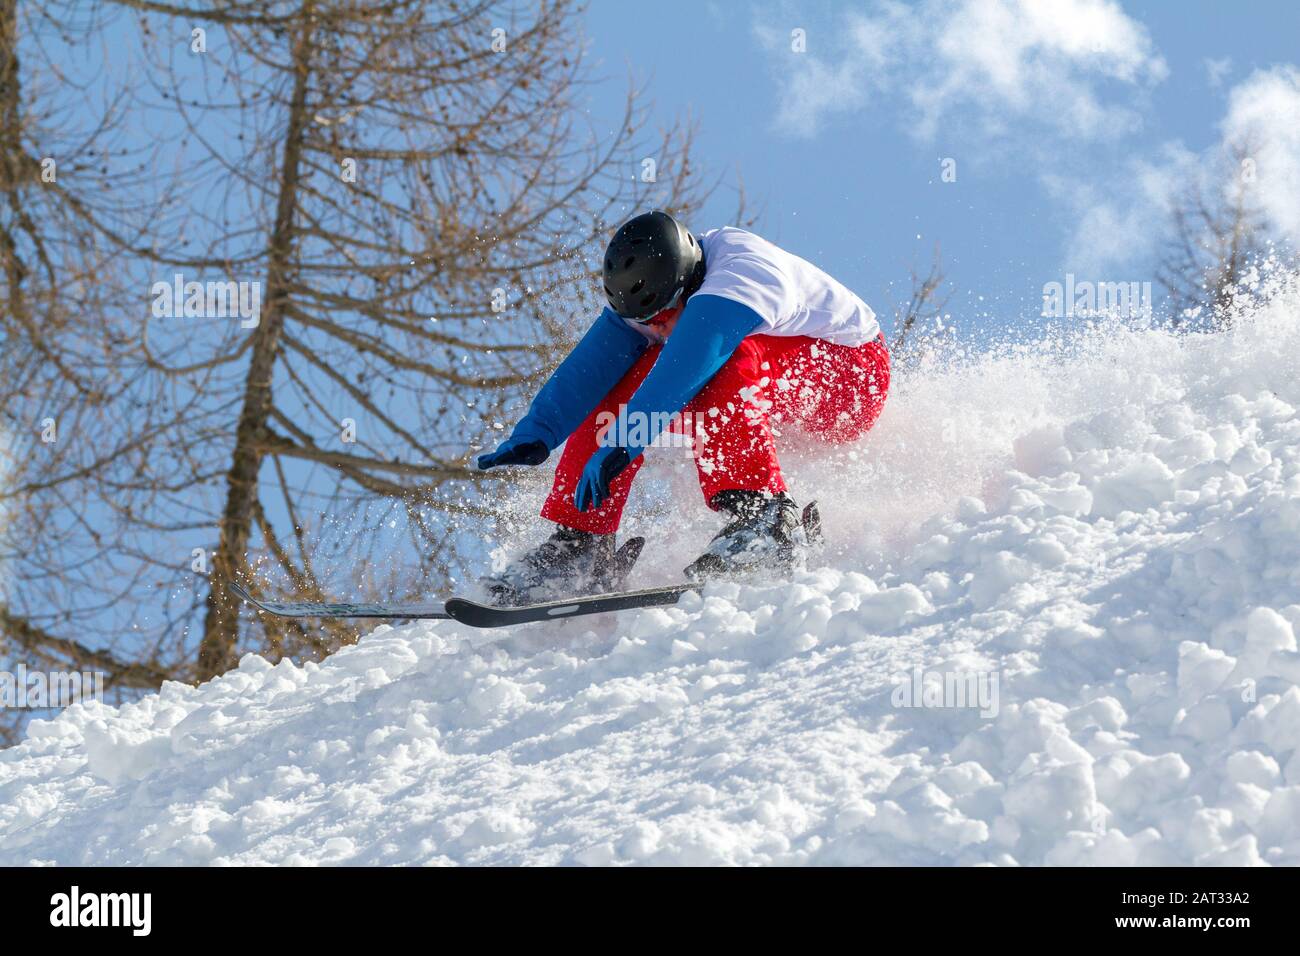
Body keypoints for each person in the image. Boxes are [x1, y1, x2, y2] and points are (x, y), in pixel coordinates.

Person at [475, 210, 890, 604]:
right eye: (647, 319)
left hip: (848, 383)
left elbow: (693, 362)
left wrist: (626, 441)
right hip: (773, 387)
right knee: (626, 372)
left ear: (688, 286)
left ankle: (765, 519)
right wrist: (537, 432)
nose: (655, 326)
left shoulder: (741, 275)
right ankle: (580, 546)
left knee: (714, 359)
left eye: (664, 315)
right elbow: (594, 366)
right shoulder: (663, 292)